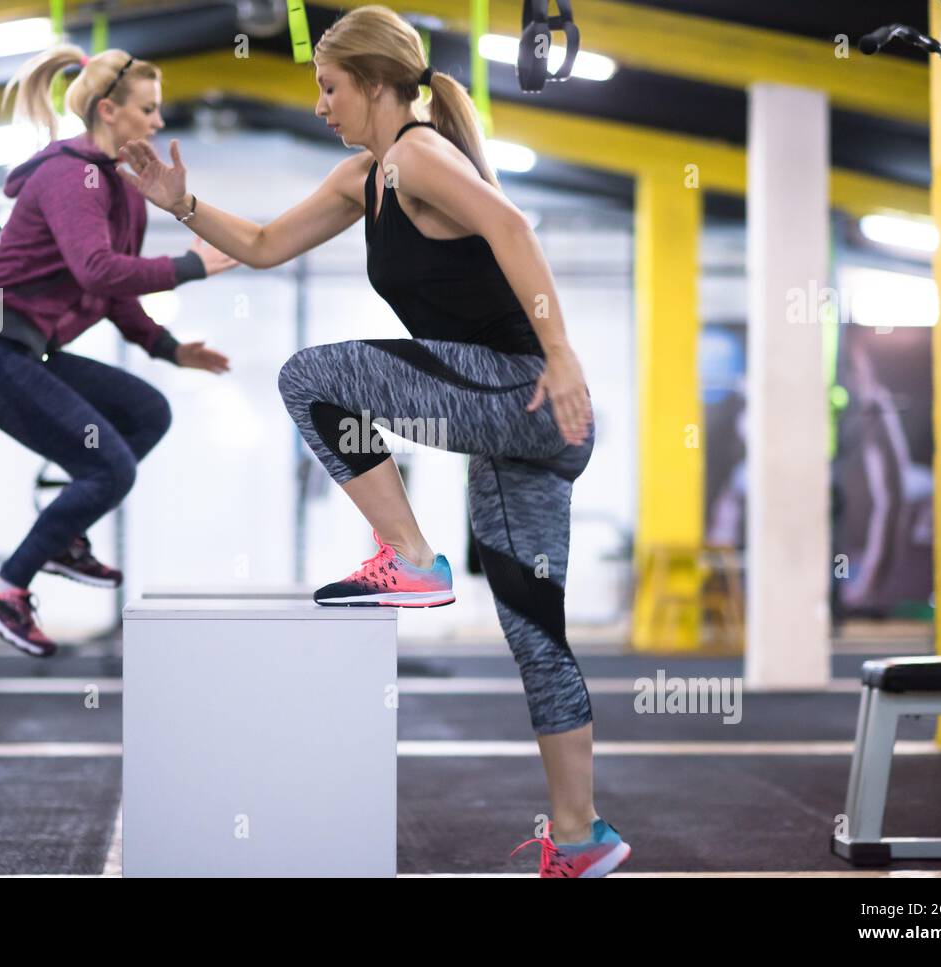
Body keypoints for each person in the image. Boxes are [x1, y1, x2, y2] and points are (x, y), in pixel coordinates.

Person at [120, 3, 627, 878]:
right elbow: (269, 243)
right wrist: (183, 205)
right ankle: (580, 838)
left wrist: (562, 353)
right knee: (535, 631)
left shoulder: (420, 154)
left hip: (522, 389)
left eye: (329, 88)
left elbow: (513, 227)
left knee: (308, 377)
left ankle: (411, 556)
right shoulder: (369, 177)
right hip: (520, 428)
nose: (320, 106)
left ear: (378, 85)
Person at [0, 45, 237, 658]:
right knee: (110, 469)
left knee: (148, 412)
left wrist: (172, 348)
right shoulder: (68, 175)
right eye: (148, 110)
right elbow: (97, 270)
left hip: (26, 351)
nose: (157, 122)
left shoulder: (123, 193)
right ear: (109, 110)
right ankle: (3, 589)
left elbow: (112, 296)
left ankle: (65, 532)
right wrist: (188, 266)